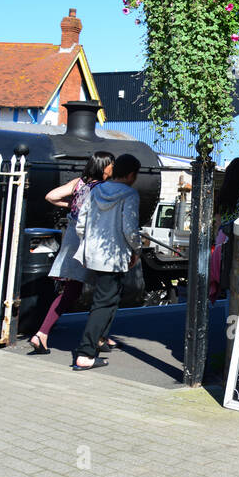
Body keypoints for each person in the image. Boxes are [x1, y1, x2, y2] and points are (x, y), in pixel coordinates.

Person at [27, 151, 115, 355]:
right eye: (111, 164)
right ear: (103, 166)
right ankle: (98, 337)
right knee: (106, 291)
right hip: (91, 243)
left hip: (72, 240)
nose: (113, 167)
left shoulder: (78, 183)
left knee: (71, 291)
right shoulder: (104, 188)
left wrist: (71, 204)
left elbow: (51, 196)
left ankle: (42, 334)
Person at [71, 153, 143, 370]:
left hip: (94, 254)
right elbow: (130, 229)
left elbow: (81, 223)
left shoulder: (96, 190)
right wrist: (137, 250)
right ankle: (85, 353)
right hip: (114, 256)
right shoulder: (129, 195)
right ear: (131, 174)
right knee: (103, 303)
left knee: (110, 298)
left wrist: (87, 246)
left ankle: (101, 339)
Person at [210, 157, 239, 302]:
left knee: (229, 284)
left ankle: (229, 320)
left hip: (222, 243)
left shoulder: (222, 195)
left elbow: (217, 224)